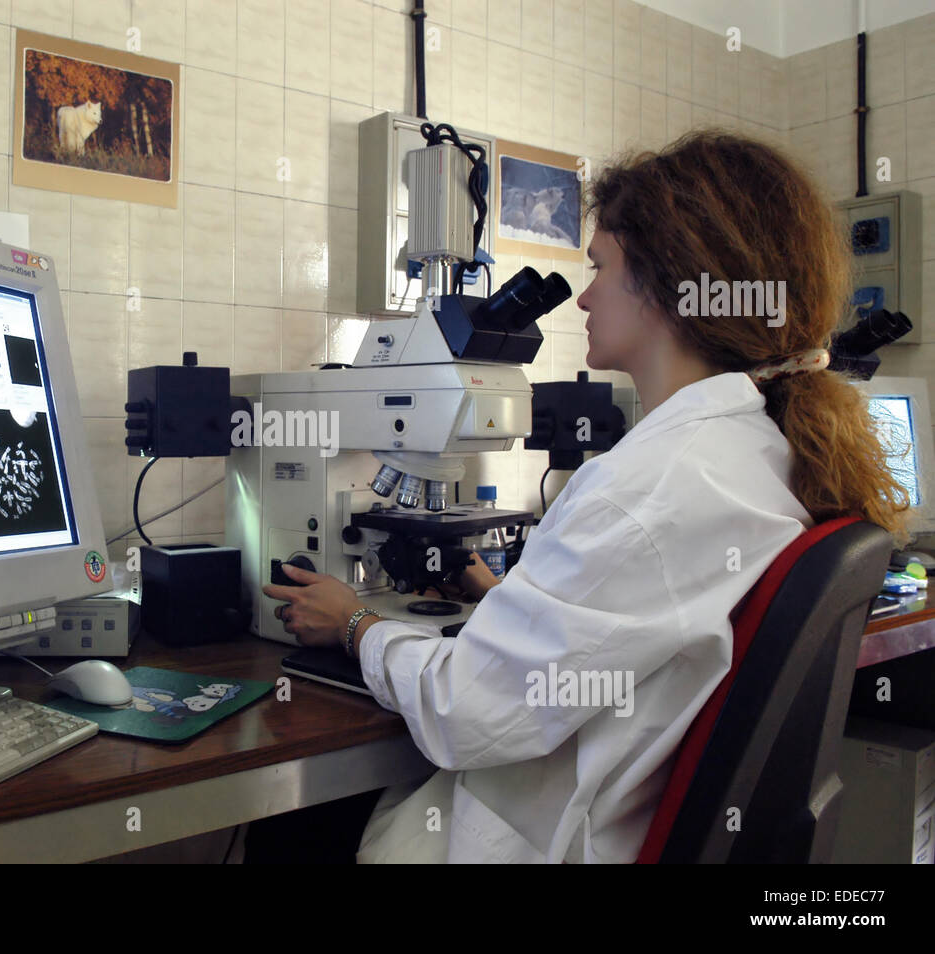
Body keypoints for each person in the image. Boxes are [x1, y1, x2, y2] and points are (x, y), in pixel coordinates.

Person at [261, 129, 910, 863]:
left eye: (600, 268)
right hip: (614, 812)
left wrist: (356, 625)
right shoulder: (758, 450)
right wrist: (507, 598)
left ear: (668, 282)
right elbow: (644, 621)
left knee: (290, 827)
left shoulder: (655, 479)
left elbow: (464, 711)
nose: (585, 299)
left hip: (549, 839)